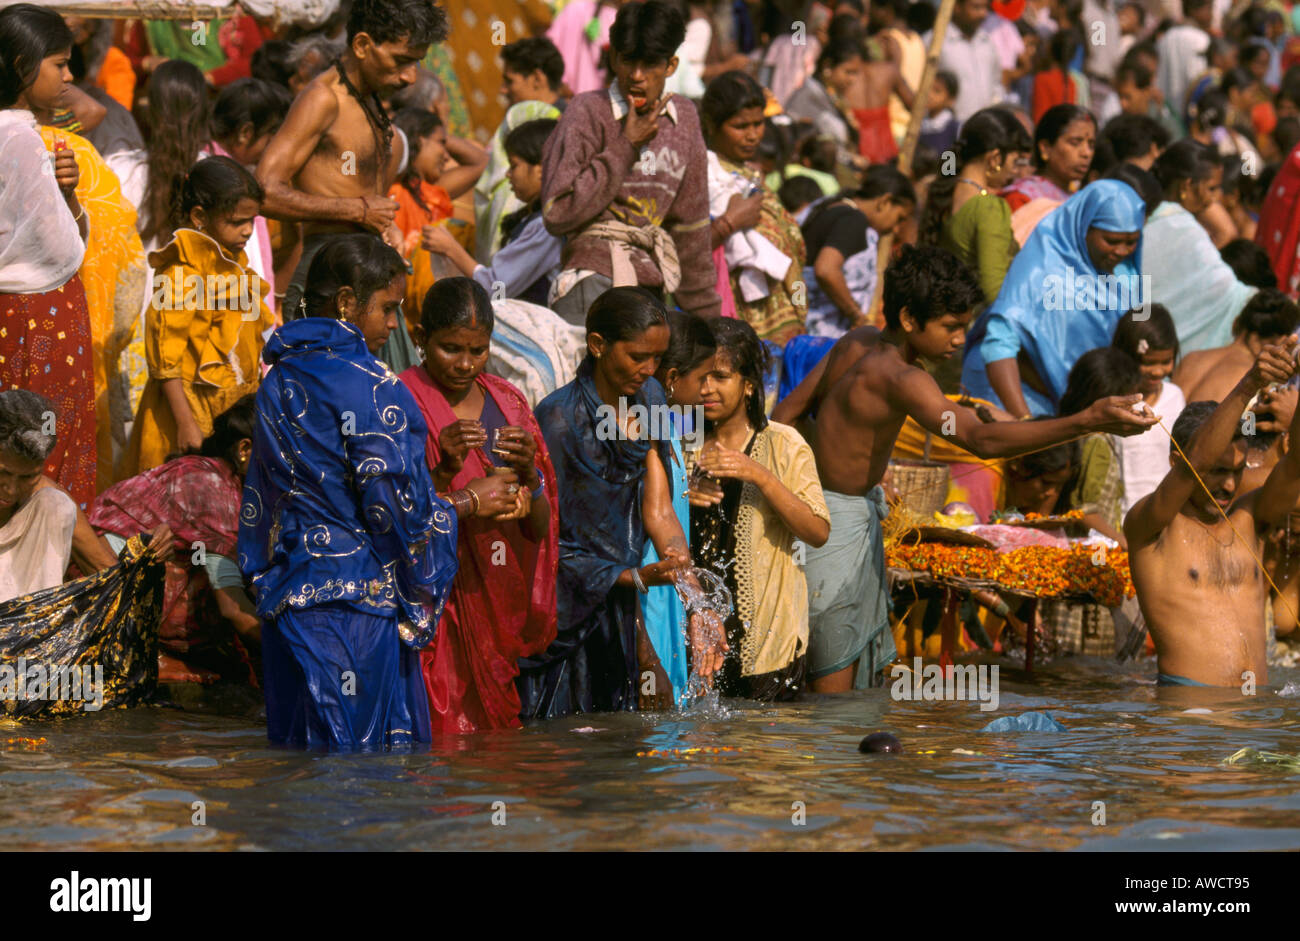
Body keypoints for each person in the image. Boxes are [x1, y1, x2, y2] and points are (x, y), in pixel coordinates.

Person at [772, 245, 1157, 691]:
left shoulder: (855, 342)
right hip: (837, 529)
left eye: (965, 326)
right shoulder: (905, 379)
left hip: (814, 515)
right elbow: (980, 439)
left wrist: (812, 481)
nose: (959, 340)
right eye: (951, 327)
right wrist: (1086, 420)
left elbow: (785, 414)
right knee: (835, 696)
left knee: (830, 678)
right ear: (909, 319)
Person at [237, 233, 470, 750]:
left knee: (299, 767)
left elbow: (262, 500)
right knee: (366, 774)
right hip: (356, 611)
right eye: (388, 308)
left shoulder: (277, 376)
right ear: (346, 302)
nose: (394, 325)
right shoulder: (374, 386)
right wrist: (461, 505)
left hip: (288, 604)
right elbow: (393, 509)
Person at [524, 287, 727, 717]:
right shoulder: (559, 421)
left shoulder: (650, 396)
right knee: (569, 737)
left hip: (626, 598)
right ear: (597, 345)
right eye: (638, 356)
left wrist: (696, 599)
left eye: (657, 357)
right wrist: (630, 576)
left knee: (637, 733)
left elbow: (659, 510)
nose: (650, 369)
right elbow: (546, 541)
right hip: (570, 607)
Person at [398, 277, 558, 734]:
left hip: (494, 598)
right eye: (450, 348)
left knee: (494, 748)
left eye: (478, 350)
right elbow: (394, 518)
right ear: (419, 337)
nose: (465, 364)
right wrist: (445, 471)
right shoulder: (398, 401)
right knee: (441, 731)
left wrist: (531, 478)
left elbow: (541, 528)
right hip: (434, 607)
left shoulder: (508, 402)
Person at [255, 0, 449, 318]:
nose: (410, 77)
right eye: (401, 60)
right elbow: (263, 191)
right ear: (362, 45)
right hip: (328, 282)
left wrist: (385, 229)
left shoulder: (369, 99)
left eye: (416, 63)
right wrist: (358, 210)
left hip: (371, 277)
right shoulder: (322, 99)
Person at [1125, 342, 1300, 688]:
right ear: (1176, 463)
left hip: (1255, 718)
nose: (1230, 485)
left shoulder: (1251, 519)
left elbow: (1295, 465)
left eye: (1237, 470)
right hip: (1189, 725)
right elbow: (1196, 464)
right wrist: (1251, 383)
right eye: (1218, 472)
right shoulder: (1152, 526)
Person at [541, 0, 721, 324]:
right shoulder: (587, 112)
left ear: (671, 66)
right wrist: (625, 146)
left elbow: (691, 227)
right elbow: (557, 211)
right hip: (589, 285)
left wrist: (707, 319)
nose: (636, 76)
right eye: (628, 61)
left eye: (650, 63)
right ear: (613, 59)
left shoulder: (685, 119)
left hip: (651, 292)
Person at [688, 318, 829, 700]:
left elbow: (817, 531)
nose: (706, 389)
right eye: (700, 377)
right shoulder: (683, 444)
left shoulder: (784, 444)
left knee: (765, 751)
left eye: (720, 376)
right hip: (699, 631)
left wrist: (761, 477)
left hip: (770, 637)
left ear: (749, 383)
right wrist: (685, 494)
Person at [89, 395, 261, 685]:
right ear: (245, 449)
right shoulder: (213, 488)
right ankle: (146, 656)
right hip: (106, 595)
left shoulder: (230, 481)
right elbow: (233, 608)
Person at [0, 4, 95, 510]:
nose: (69, 76)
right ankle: (55, 582)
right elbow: (60, 251)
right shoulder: (21, 140)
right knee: (45, 451)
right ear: (22, 65)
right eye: (59, 64)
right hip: (40, 317)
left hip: (14, 319)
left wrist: (68, 196)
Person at [122, 156, 272, 477]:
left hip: (232, 404)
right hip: (185, 411)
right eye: (236, 222)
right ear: (200, 217)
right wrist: (185, 423)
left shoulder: (235, 264)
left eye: (252, 221)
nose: (247, 231)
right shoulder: (179, 273)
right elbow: (164, 357)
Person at [960, 179, 1147, 417]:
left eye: (1131, 242)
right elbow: (999, 345)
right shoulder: (1040, 270)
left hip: (1086, 409)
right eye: (1111, 241)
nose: (1122, 251)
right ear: (1083, 228)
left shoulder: (1124, 273)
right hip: (1024, 398)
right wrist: (1025, 423)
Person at [639, 309, 715, 707]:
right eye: (702, 378)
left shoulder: (666, 425)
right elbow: (658, 515)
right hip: (649, 587)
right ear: (671, 379)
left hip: (668, 584)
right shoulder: (646, 427)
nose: (707, 390)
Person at [702, 71, 807, 344]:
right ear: (712, 125)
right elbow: (687, 250)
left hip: (785, 310)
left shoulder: (750, 173)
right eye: (740, 126)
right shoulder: (704, 174)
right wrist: (730, 222)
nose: (752, 135)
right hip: (742, 314)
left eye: (758, 124)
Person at [421, 119, 562, 308]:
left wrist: (451, 249)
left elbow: (497, 288)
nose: (507, 175)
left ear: (540, 170)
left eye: (514, 165)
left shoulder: (547, 227)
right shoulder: (537, 219)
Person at [1143, 139, 1258, 354]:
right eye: (1211, 188)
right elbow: (1224, 291)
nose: (1215, 198)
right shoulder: (1182, 228)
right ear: (1187, 186)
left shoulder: (1154, 215)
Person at [918, 107, 1033, 305]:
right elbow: (994, 291)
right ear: (995, 159)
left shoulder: (945, 191)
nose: (1015, 172)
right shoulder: (989, 208)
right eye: (1015, 162)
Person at [202, 77, 292, 313]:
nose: (273, 149)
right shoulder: (215, 178)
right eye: (270, 139)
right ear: (245, 133)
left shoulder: (238, 174)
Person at [474, 37, 564, 262]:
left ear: (536, 78)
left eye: (509, 81)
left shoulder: (562, 127)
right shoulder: (517, 120)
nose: (503, 90)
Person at [801, 164, 916, 337]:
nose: (896, 229)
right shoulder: (853, 221)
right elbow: (826, 270)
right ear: (884, 202)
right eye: (899, 218)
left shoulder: (832, 208)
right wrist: (856, 315)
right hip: (820, 335)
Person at [0, 390, 76, 603]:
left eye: (27, 477)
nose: (11, 489)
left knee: (56, 504)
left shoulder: (48, 507)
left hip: (24, 627)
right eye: (3, 473)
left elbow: (100, 561)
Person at [1111, 305, 1187, 514]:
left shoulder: (1175, 397)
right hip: (1120, 523)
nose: (1158, 371)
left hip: (1164, 515)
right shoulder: (1113, 403)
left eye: (1166, 362)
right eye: (1148, 363)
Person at [388, 107, 486, 253]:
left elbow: (482, 162)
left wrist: (437, 134)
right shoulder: (389, 188)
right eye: (441, 143)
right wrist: (412, 132)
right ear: (419, 139)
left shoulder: (430, 192)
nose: (447, 156)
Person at [1002, 104, 1095, 213]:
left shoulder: (1081, 201)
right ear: (1045, 148)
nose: (1086, 153)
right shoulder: (1021, 198)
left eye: (1091, 145)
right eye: (1075, 143)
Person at [930, 0, 1004, 122]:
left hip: (986, 127)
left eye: (985, 8)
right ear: (957, 7)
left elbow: (996, 84)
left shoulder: (987, 43)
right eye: (976, 7)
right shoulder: (936, 42)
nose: (983, 14)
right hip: (949, 131)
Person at [1115, 58, 1185, 141]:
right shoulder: (1121, 124)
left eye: (1127, 97)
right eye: (1120, 96)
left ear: (1146, 91)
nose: (1122, 103)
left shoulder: (1165, 124)